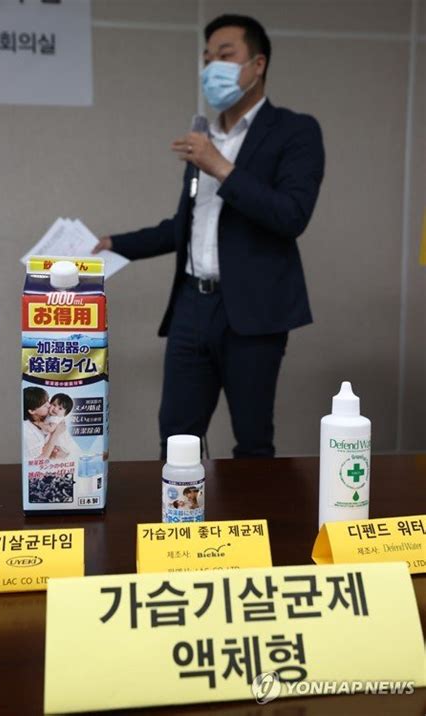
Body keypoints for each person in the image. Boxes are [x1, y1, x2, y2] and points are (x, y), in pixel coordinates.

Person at [93, 14, 325, 459]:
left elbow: (291, 215)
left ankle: (249, 508)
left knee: (252, 440)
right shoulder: (205, 135)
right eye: (206, 58)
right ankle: (180, 506)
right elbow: (188, 225)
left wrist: (218, 164)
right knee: (176, 437)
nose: (211, 67)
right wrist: (115, 243)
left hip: (252, 310)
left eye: (224, 55)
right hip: (190, 306)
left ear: (258, 65)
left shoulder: (295, 130)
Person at [22, 387, 66, 460]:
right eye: (44, 405)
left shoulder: (49, 417)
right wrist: (56, 434)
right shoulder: (26, 430)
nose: (49, 405)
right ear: (32, 411)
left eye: (48, 401)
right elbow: (40, 459)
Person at [41, 393, 83, 458]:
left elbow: (50, 429)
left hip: (61, 443)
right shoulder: (50, 416)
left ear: (65, 414)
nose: (55, 409)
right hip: (53, 444)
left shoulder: (56, 418)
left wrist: (39, 424)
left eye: (60, 408)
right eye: (54, 405)